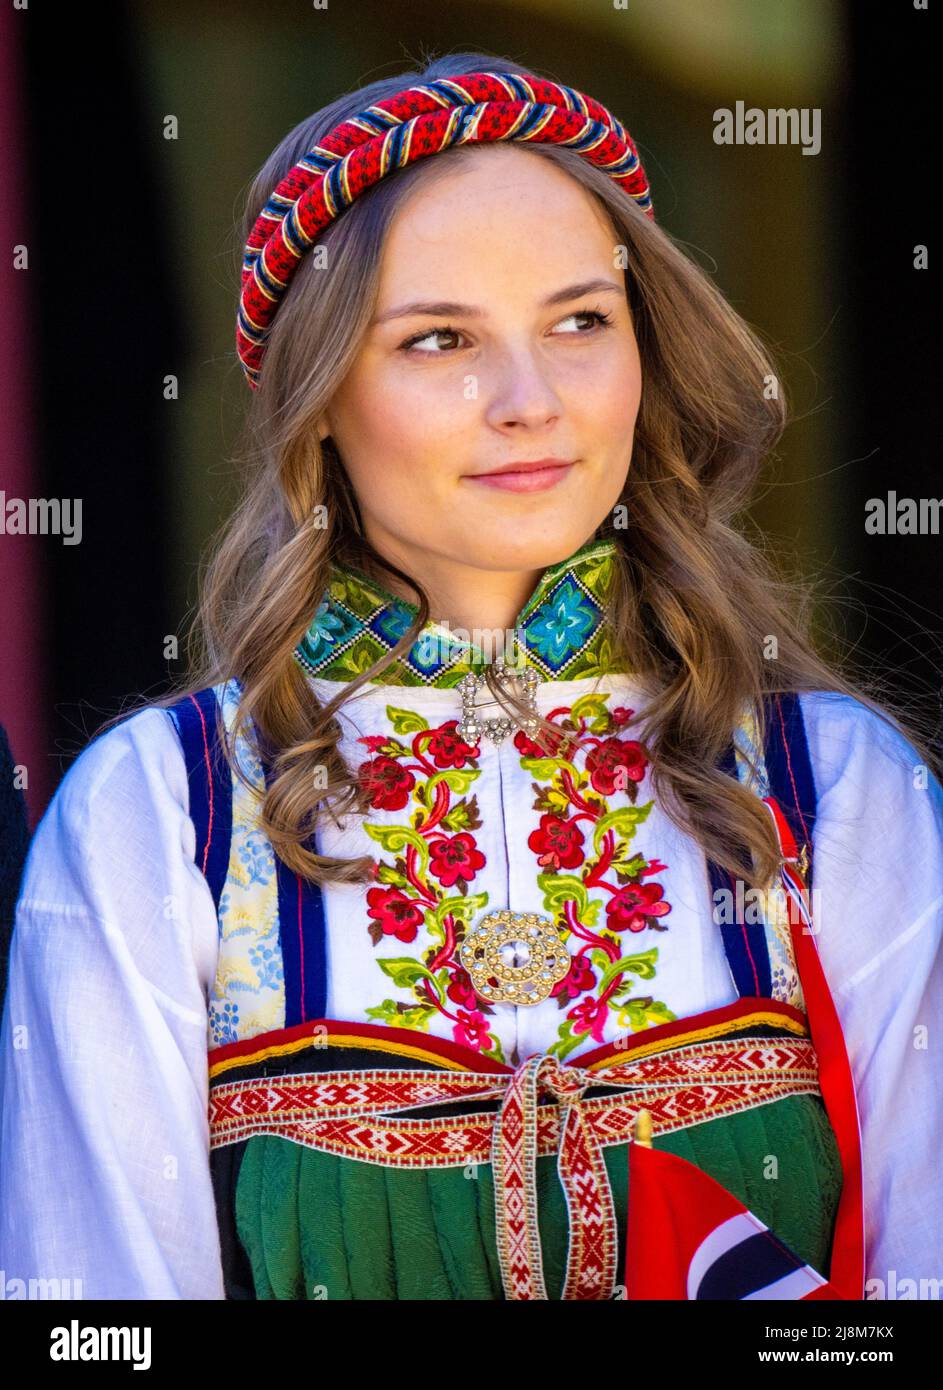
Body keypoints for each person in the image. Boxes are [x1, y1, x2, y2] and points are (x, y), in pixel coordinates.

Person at [1, 51, 941, 1302]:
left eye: (579, 322)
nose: (529, 400)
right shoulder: (156, 818)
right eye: (440, 338)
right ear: (318, 395)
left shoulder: (840, 791)